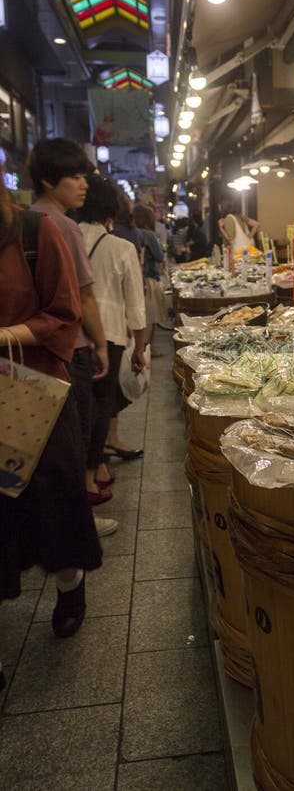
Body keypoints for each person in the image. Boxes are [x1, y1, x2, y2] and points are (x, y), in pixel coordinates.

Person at [0, 177, 102, 646]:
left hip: (33, 391)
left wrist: (6, 336)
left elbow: (65, 313)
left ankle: (69, 584)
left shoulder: (35, 232)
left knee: (52, 498)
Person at [28, 139, 115, 532]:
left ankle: (48, 523)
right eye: (74, 177)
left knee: (45, 441)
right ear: (49, 180)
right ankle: (78, 525)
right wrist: (101, 344)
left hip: (37, 348)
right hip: (71, 346)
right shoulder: (64, 226)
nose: (84, 185)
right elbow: (84, 294)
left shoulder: (25, 220)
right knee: (75, 437)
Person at [78, 176, 147, 502]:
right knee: (102, 406)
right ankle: (90, 478)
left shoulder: (65, 236)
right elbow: (136, 305)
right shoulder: (122, 248)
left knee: (80, 407)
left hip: (73, 336)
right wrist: (140, 347)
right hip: (111, 335)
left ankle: (97, 469)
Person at [133, 203, 167, 356]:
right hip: (149, 279)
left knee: (140, 317)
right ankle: (146, 351)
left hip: (135, 278)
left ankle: (140, 349)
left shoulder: (131, 232)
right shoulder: (148, 234)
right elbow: (159, 256)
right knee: (150, 317)